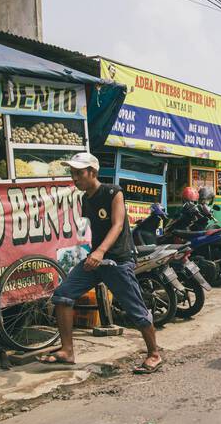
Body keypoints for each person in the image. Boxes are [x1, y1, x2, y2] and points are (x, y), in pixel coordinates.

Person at [43, 152, 162, 373]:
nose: (75, 178)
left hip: (117, 260)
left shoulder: (113, 192)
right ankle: (67, 351)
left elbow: (117, 225)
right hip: (96, 260)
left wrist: (99, 252)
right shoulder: (85, 199)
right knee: (62, 295)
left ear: (93, 173)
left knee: (136, 310)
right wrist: (93, 253)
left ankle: (154, 354)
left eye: (79, 173)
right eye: (72, 174)